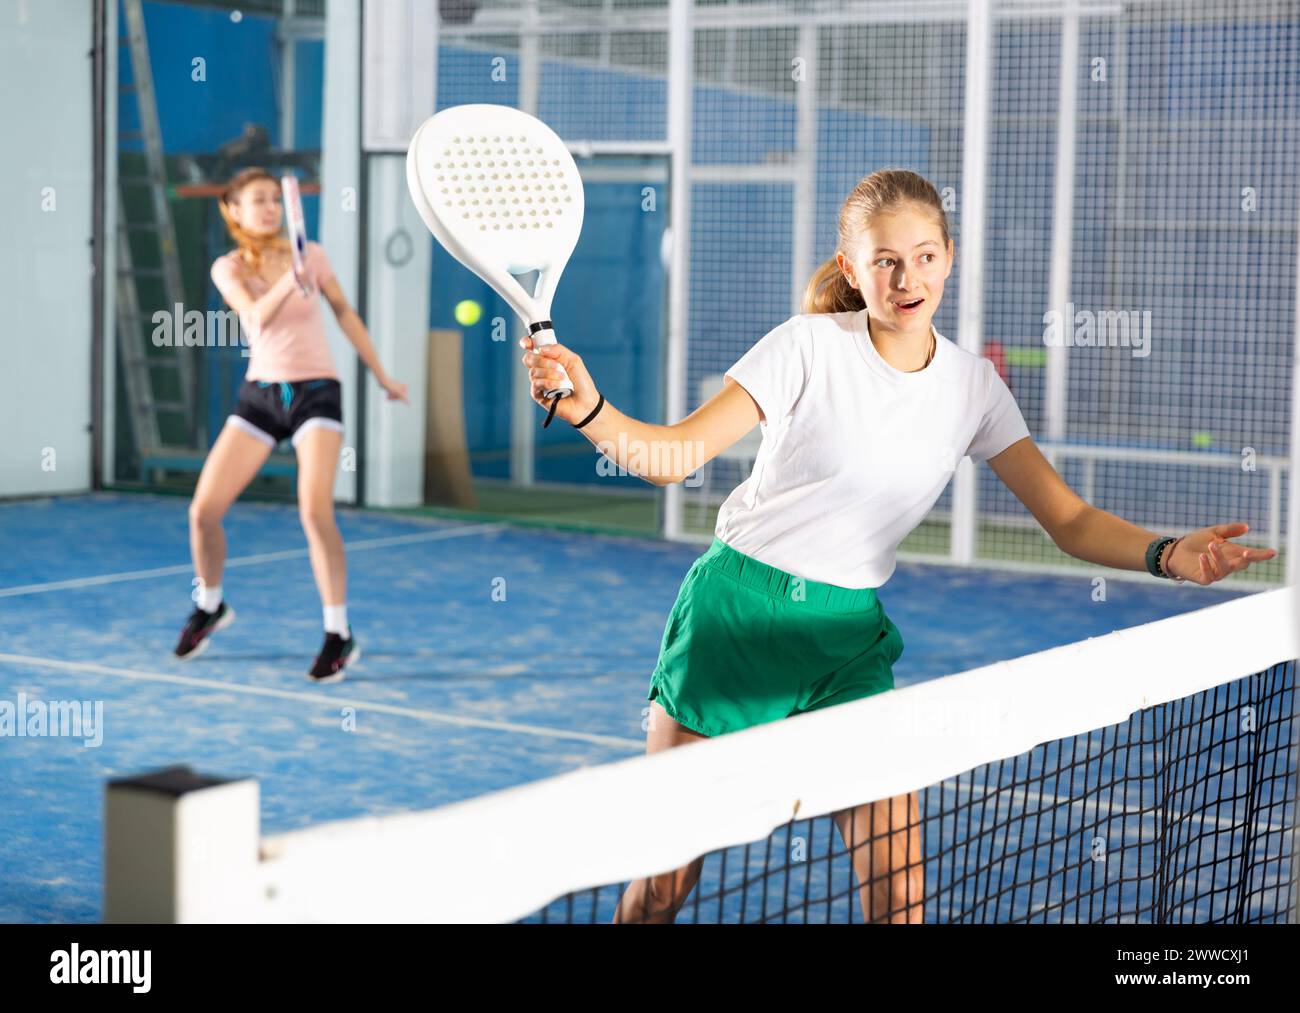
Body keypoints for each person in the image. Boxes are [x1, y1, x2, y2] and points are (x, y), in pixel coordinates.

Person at [518, 168, 1277, 922]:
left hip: (848, 643)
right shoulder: (806, 347)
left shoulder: (973, 388)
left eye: (922, 256)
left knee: (903, 895)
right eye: (884, 260)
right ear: (852, 268)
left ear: (948, 256)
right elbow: (672, 456)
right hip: (734, 624)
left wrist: (1170, 552)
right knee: (662, 886)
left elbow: (1068, 520)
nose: (905, 277)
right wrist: (591, 409)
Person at [173, 168, 408, 682]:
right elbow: (255, 317)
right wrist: (289, 279)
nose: (269, 209)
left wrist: (383, 374)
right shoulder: (227, 266)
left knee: (313, 510)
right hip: (260, 397)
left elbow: (345, 314)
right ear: (233, 211)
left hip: (316, 393)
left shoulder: (313, 254)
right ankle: (210, 604)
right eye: (256, 201)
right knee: (202, 512)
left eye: (274, 201)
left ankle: (338, 634)